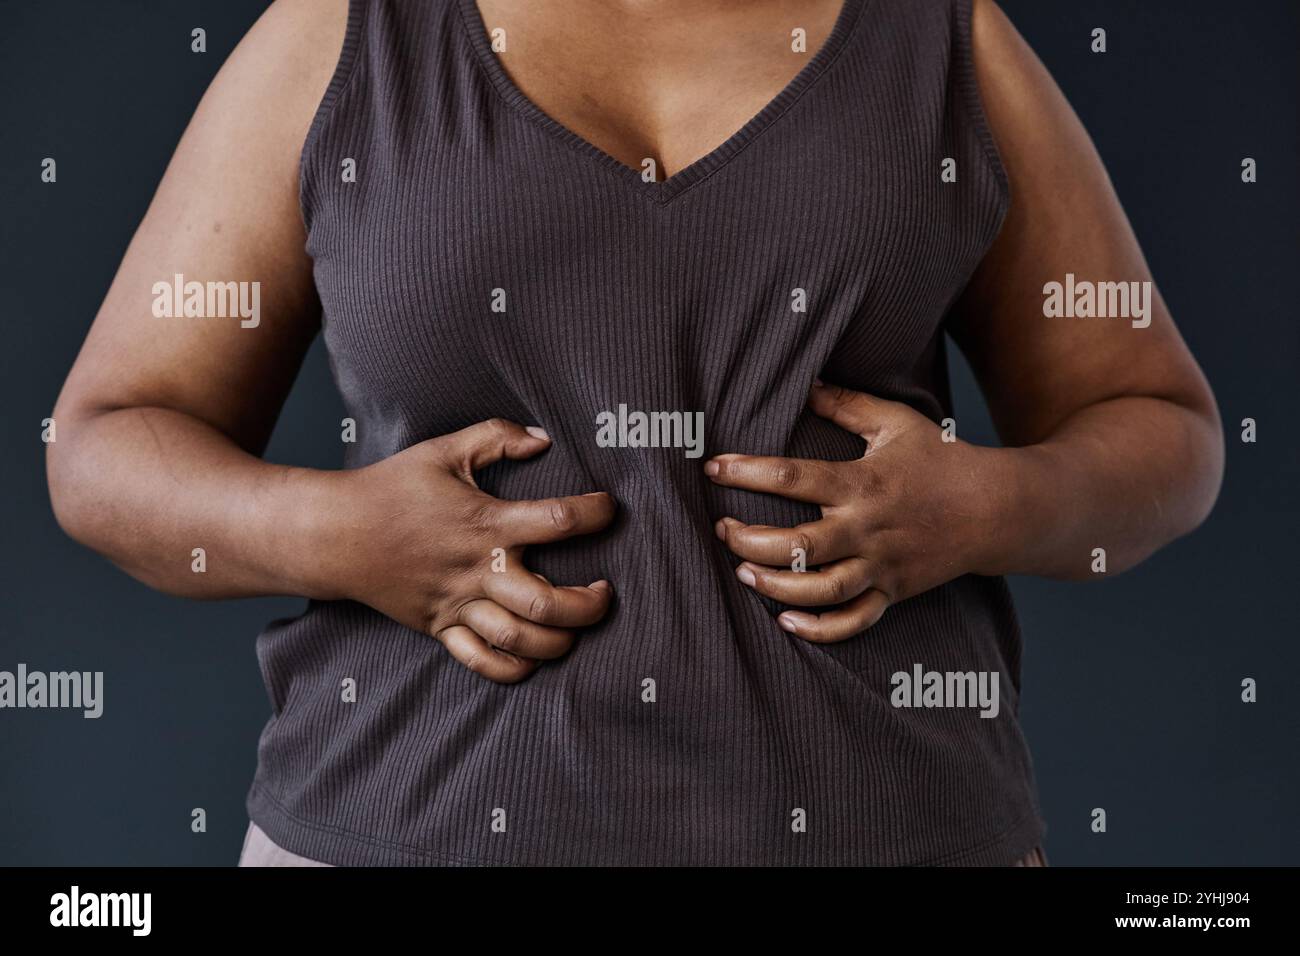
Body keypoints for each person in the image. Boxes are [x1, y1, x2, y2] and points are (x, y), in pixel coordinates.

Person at [46, 0, 1223, 866]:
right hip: (396, 835)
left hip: (896, 833)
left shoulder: (938, 39)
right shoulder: (345, 37)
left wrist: (985, 507)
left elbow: (1162, 429)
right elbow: (103, 446)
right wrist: (341, 531)